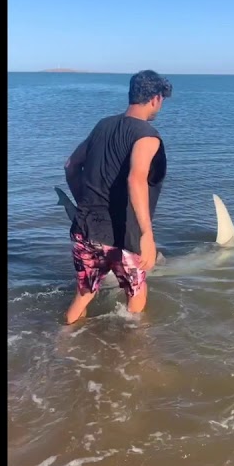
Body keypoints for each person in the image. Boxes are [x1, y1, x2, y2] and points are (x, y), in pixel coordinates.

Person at [62, 70, 171, 323]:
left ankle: (62, 344)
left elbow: (70, 165)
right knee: (136, 293)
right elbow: (136, 179)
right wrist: (146, 235)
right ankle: (132, 357)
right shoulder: (147, 136)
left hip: (85, 228)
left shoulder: (102, 125)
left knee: (84, 292)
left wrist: (83, 203)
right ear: (156, 99)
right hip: (123, 235)